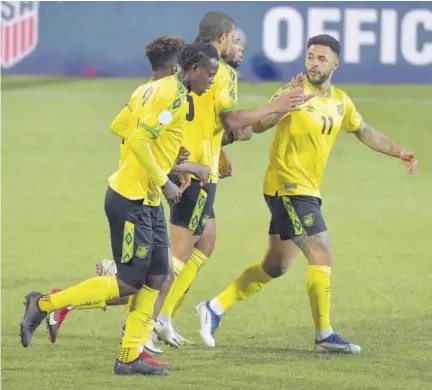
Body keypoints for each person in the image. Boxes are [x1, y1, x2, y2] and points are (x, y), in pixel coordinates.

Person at [196, 34, 418, 354]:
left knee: (275, 266)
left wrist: (399, 151)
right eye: (310, 56)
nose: (313, 63)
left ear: (335, 64)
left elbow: (364, 131)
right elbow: (259, 125)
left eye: (321, 58)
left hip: (307, 190)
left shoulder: (340, 100)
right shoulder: (293, 91)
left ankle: (213, 308)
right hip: (287, 186)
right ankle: (324, 335)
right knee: (321, 252)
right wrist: (284, 105)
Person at [19, 42, 221, 377]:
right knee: (129, 282)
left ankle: (129, 356)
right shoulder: (173, 95)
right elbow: (140, 139)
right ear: (193, 69)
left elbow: (120, 126)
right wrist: (165, 179)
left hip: (146, 198)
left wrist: (169, 159)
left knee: (159, 275)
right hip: (131, 199)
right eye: (210, 74)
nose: (212, 81)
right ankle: (42, 304)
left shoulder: (147, 89)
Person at [154, 11, 309, 348]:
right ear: (223, 37)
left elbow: (205, 122)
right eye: (238, 41)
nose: (240, 48)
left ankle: (162, 316)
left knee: (206, 240)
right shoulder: (220, 71)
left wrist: (223, 145)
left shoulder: (185, 64)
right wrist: (276, 106)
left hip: (180, 163)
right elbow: (231, 120)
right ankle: (142, 322)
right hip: (192, 173)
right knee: (175, 255)